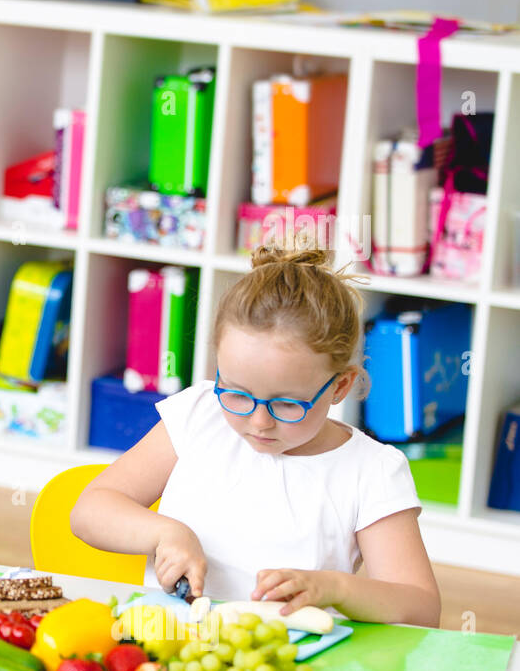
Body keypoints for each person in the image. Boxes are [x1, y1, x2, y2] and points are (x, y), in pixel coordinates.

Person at [71, 246, 440, 627]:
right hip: (176, 649)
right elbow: (90, 511)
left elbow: (421, 608)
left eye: (286, 404)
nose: (259, 422)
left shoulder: (371, 470)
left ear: (340, 386)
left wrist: (337, 589)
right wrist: (165, 533)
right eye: (236, 392)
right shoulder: (199, 414)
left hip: (292, 665)